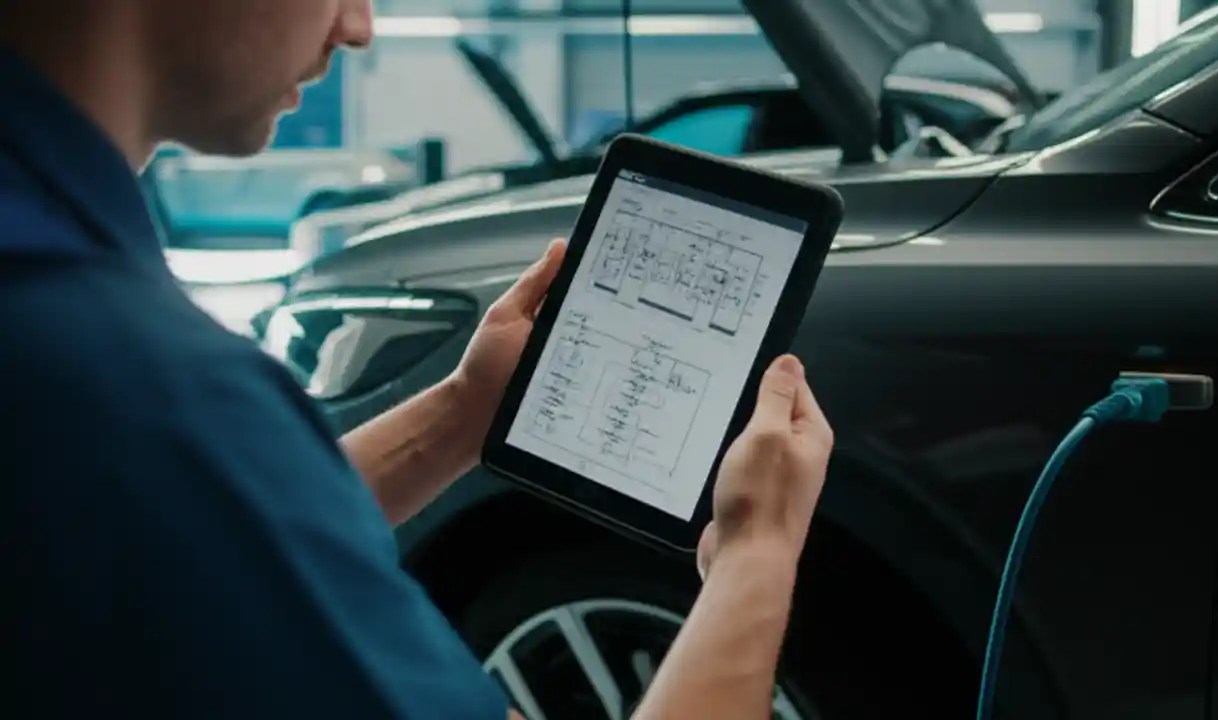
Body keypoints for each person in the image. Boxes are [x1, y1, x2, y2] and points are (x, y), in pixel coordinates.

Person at [3, 1, 834, 718]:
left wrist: (463, 415)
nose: (357, 26)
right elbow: (196, 486)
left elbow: (202, 537)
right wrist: (756, 559)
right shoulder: (138, 391)